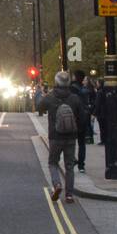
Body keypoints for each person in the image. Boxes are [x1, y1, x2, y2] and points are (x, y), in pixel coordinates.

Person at [38, 70, 87, 204]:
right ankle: (69, 195)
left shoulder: (51, 97)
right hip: (71, 137)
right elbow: (82, 118)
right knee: (69, 166)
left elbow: (39, 108)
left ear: (56, 82)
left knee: (53, 162)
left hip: (55, 136)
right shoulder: (74, 98)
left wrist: (44, 96)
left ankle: (57, 184)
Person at [71, 69, 92, 173]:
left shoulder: (71, 89)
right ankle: (81, 165)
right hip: (83, 119)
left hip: (73, 118)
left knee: (70, 142)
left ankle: (73, 159)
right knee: (82, 143)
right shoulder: (85, 90)